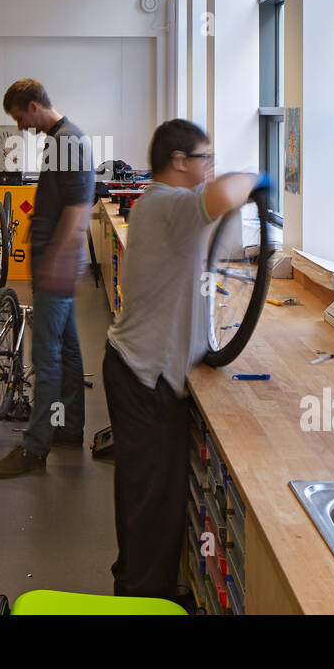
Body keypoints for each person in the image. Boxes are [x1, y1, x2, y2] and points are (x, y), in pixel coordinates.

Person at [103, 119, 261, 602]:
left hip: (140, 369)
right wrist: (259, 176)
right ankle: (141, 602)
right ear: (179, 161)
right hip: (144, 378)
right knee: (151, 503)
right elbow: (223, 195)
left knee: (151, 497)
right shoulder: (171, 204)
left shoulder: (156, 206)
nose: (210, 167)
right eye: (204, 158)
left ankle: (142, 591)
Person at [0, 79, 95, 478]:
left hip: (56, 266)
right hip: (56, 263)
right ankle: (67, 428)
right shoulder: (62, 139)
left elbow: (79, 210)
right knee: (66, 349)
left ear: (33, 106)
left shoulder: (67, 141)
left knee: (45, 357)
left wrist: (56, 260)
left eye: (19, 118)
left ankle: (35, 448)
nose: (19, 127)